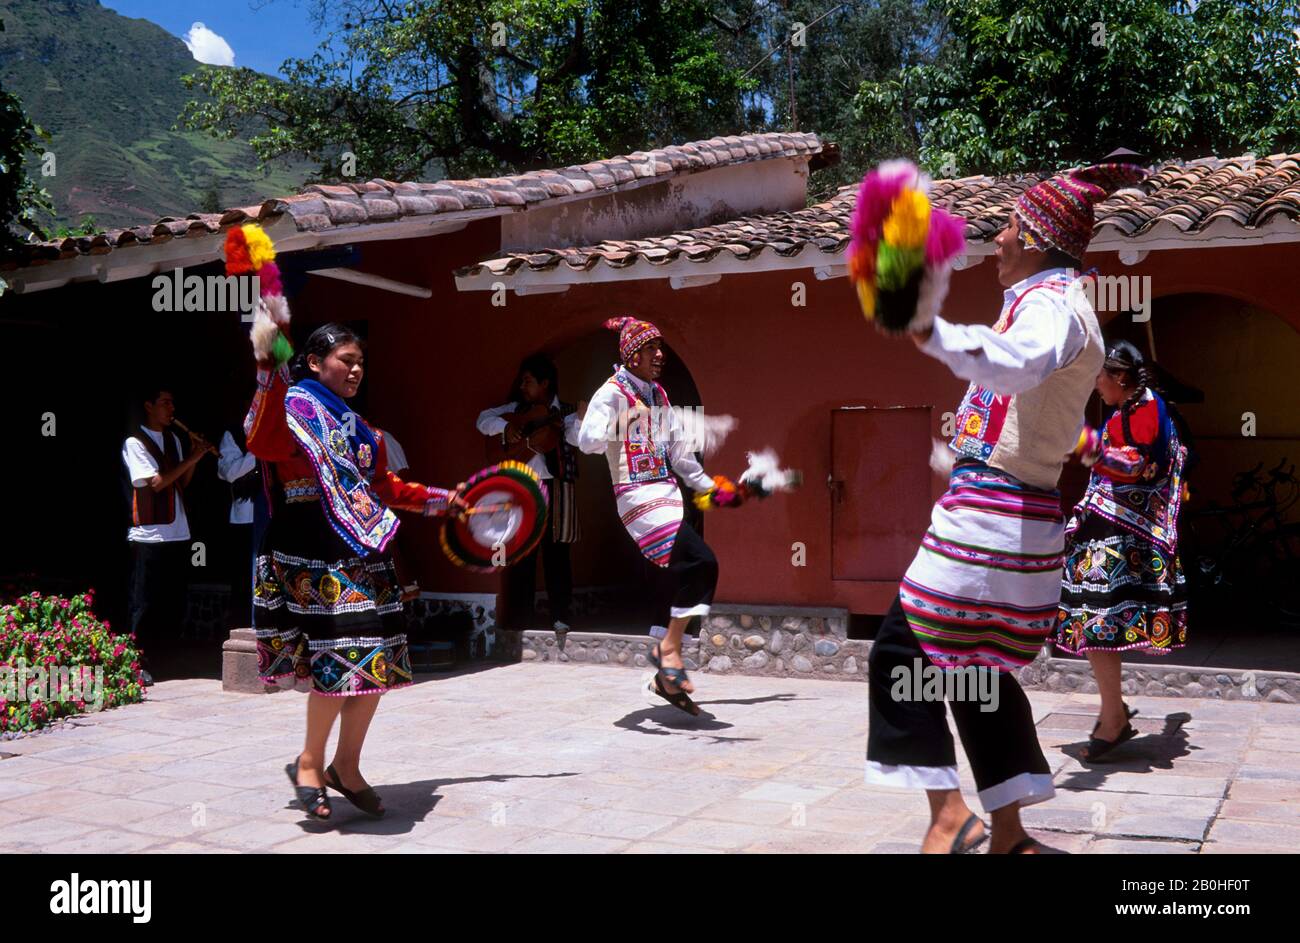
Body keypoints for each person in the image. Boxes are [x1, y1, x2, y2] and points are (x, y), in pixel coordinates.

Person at [864, 162, 1146, 853]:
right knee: (974, 670)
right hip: (1014, 527)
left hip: (988, 529)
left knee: (902, 650)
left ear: (1039, 238)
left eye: (1009, 227)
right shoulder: (1054, 300)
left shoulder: (1051, 305)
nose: (997, 239)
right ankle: (1012, 834)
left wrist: (929, 328)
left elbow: (1019, 364)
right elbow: (1027, 397)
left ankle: (950, 815)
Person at [244, 321, 464, 820]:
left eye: (361, 361)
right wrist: (268, 364)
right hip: (310, 550)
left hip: (362, 553)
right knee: (336, 658)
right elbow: (262, 439)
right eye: (346, 359)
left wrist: (442, 501)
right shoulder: (293, 408)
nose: (357, 369)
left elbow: (384, 486)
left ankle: (346, 766)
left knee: (375, 665)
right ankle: (308, 762)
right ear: (316, 363)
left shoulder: (362, 431)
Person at [576, 317, 721, 715]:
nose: (660, 355)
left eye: (661, 348)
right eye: (652, 348)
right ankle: (668, 654)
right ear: (632, 354)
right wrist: (624, 419)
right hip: (637, 498)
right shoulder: (612, 393)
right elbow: (587, 441)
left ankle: (665, 669)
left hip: (668, 496)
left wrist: (710, 487)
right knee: (702, 563)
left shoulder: (658, 394)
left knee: (683, 574)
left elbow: (679, 454)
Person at [1056, 339, 1190, 760]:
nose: (1096, 385)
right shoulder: (1135, 410)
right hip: (1117, 531)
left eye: (1098, 376)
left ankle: (1113, 717)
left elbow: (1133, 468)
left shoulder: (1144, 413)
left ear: (1118, 378)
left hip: (1122, 536)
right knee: (1097, 623)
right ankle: (1112, 712)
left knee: (1096, 620)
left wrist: (1081, 443)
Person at [476, 354, 582, 632]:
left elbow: (576, 438)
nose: (522, 386)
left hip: (556, 488)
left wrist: (580, 421)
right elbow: (483, 420)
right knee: (522, 554)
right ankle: (521, 618)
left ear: (545, 383)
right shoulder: (515, 408)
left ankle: (561, 615)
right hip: (522, 488)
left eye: (528, 381)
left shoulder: (567, 413)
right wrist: (507, 427)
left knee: (557, 553)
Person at [122, 387, 216, 684]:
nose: (171, 407)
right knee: (144, 603)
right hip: (149, 535)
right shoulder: (134, 442)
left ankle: (164, 659)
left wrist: (194, 456)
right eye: (164, 402)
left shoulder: (174, 439)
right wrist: (192, 458)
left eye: (172, 402)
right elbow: (158, 484)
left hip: (177, 531)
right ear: (149, 406)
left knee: (171, 600)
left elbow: (181, 484)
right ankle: (137, 662)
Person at [218, 424, 262, 628]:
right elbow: (230, 472)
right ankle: (241, 626)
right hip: (244, 519)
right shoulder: (232, 434)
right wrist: (260, 448)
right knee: (243, 579)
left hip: (272, 514)